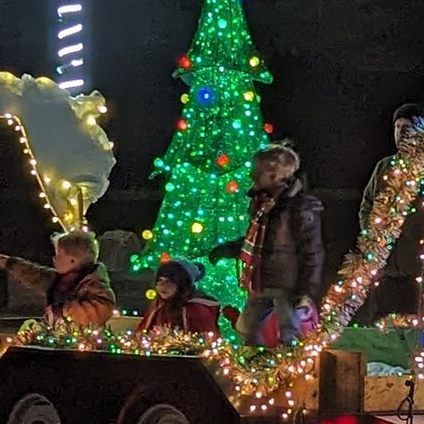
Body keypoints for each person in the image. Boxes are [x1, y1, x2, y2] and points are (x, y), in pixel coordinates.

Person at [209, 143, 324, 345]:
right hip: (260, 279)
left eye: (258, 172)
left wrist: (306, 290)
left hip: (286, 282)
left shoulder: (298, 208)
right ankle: (255, 363)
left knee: (289, 332)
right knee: (247, 328)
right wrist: (230, 249)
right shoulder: (262, 205)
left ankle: (290, 370)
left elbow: (311, 250)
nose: (252, 176)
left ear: (274, 175)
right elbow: (254, 240)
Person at [353, 102, 424, 325]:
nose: (401, 133)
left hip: (415, 265)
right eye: (397, 127)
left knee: (413, 323)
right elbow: (367, 203)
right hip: (384, 264)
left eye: (407, 127)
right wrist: (372, 233)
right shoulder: (384, 166)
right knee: (380, 321)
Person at [0, 230, 115, 328]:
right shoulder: (58, 280)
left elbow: (99, 309)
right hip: (58, 333)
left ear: (72, 260)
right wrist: (12, 264)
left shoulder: (94, 284)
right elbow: (35, 275)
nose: (54, 258)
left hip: (83, 342)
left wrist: (63, 310)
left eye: (58, 255)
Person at [137, 258, 220, 334]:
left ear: (181, 284)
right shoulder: (158, 305)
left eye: (170, 281)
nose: (163, 286)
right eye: (160, 281)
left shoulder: (196, 309)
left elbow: (205, 341)